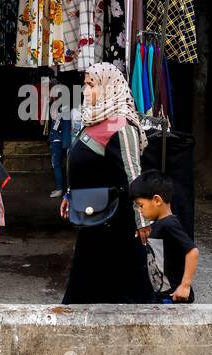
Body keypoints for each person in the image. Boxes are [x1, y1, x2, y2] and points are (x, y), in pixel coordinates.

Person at [60, 62, 152, 305]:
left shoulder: (120, 125)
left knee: (121, 284)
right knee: (92, 279)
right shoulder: (96, 119)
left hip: (115, 217)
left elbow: (134, 174)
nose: (85, 91)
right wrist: (70, 194)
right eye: (85, 85)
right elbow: (85, 164)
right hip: (96, 212)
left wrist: (143, 221)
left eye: (91, 85)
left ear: (108, 87)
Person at [130, 170, 199, 303]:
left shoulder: (169, 224)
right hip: (162, 294)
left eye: (141, 205)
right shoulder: (159, 224)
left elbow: (193, 252)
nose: (140, 210)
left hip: (174, 296)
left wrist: (185, 286)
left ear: (157, 200)